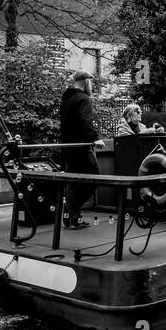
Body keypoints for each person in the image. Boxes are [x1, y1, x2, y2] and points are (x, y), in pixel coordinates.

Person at [59, 70, 104, 228]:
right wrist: (95, 138)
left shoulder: (66, 99)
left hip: (68, 147)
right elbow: (85, 121)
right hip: (81, 147)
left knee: (73, 182)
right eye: (90, 81)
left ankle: (72, 217)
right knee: (95, 178)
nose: (91, 84)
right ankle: (71, 210)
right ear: (85, 82)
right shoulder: (83, 98)